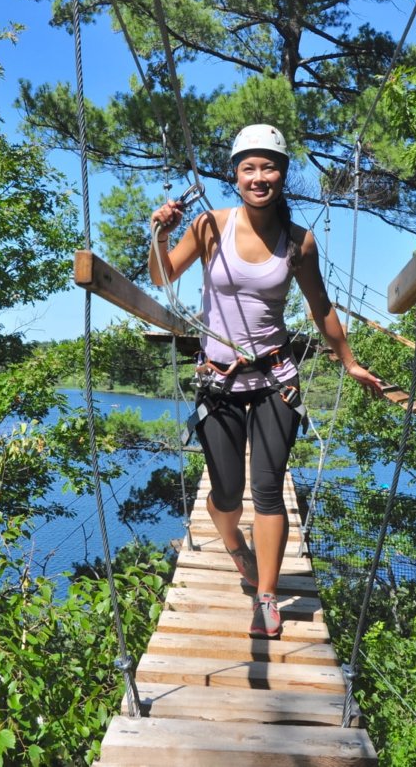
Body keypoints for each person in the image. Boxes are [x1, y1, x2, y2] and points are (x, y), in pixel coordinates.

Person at [149, 124, 383, 638]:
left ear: (282, 175)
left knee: (269, 490)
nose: (259, 177)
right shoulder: (212, 225)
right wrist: (162, 232)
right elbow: (164, 277)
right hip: (219, 381)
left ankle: (268, 596)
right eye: (248, 168)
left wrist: (349, 361)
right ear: (234, 176)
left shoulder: (299, 241)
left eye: (269, 167)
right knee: (228, 494)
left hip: (276, 376)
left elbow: (320, 307)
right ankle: (235, 544)